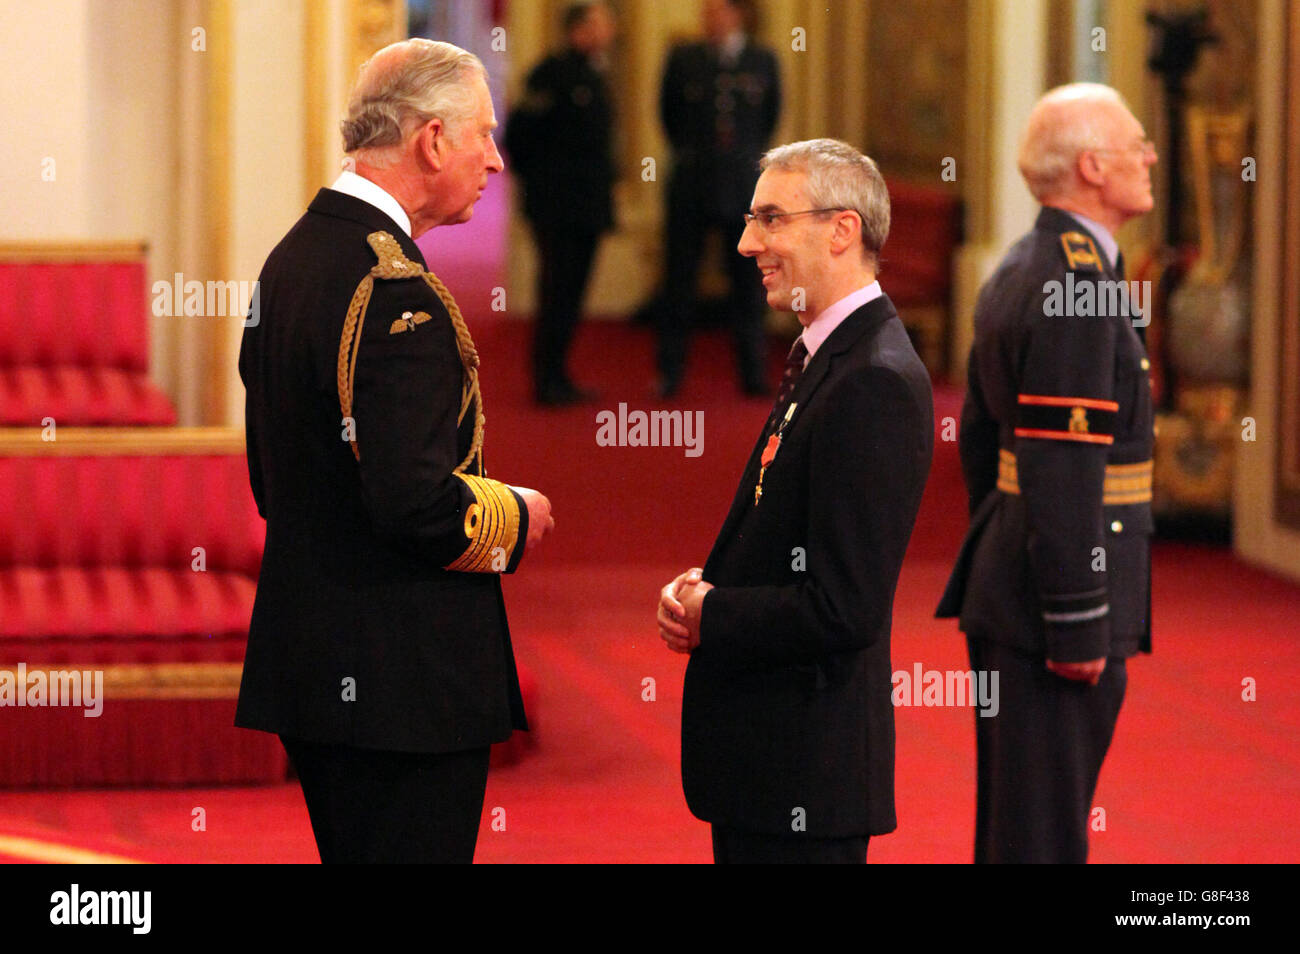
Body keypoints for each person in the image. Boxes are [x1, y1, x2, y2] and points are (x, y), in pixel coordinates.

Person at [236, 38, 554, 864]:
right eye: (482, 133)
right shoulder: (393, 291)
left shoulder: (294, 257)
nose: (494, 156)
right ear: (432, 140)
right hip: (400, 684)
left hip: (317, 661)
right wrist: (513, 518)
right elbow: (415, 505)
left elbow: (272, 480)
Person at [657, 139, 934, 863]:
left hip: (806, 778)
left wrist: (710, 612)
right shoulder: (828, 354)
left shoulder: (872, 380)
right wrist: (706, 590)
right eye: (752, 221)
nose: (748, 243)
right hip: (775, 770)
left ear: (842, 230)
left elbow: (843, 606)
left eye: (771, 220)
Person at [936, 83, 1158, 863]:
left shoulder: (1032, 261)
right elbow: (1061, 465)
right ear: (1094, 166)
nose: (1150, 156)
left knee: (1024, 826)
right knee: (1041, 838)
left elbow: (979, 439)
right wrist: (1075, 615)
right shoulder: (1071, 284)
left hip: (1018, 581)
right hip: (1049, 607)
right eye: (1137, 144)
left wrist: (1003, 543)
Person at [655, 0, 781, 397]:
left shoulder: (763, 60)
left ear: (737, 14)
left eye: (718, 11)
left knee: (747, 283)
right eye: (706, 12)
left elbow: (769, 118)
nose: (709, 19)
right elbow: (668, 115)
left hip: (743, 189)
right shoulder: (683, 58)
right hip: (691, 185)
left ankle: (752, 372)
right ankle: (670, 373)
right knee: (679, 282)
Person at [505, 1, 617, 406]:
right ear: (579, 30)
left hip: (587, 207)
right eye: (601, 24)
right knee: (555, 291)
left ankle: (561, 375)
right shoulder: (550, 74)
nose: (610, 30)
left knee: (573, 294)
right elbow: (520, 138)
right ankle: (546, 379)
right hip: (556, 208)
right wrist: (543, 186)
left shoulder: (597, 72)